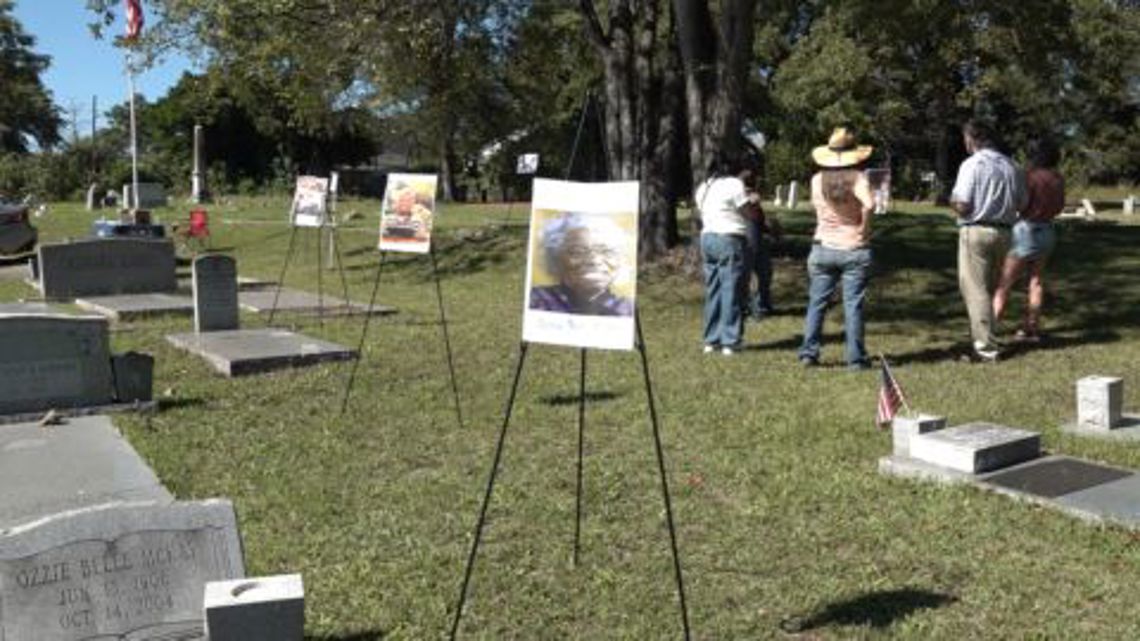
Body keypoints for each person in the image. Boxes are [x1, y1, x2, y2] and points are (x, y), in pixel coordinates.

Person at [797, 127, 875, 370]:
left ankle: (809, 353)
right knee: (853, 305)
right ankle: (855, 359)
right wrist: (865, 229)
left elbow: (816, 208)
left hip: (822, 247)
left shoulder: (816, 180)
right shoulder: (858, 178)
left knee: (816, 303)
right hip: (853, 247)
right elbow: (870, 205)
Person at [950, 120, 1027, 361]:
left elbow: (962, 204)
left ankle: (985, 348)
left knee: (976, 289)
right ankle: (988, 337)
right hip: (1005, 232)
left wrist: (951, 201)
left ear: (972, 138)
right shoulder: (1011, 165)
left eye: (965, 138)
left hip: (976, 229)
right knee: (991, 288)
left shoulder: (971, 164)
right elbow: (1022, 203)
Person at [992, 138, 1064, 342]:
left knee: (1005, 282)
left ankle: (990, 327)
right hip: (1048, 230)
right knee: (1036, 281)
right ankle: (1031, 327)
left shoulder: (1029, 176)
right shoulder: (1058, 178)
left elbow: (1020, 204)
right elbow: (1059, 206)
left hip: (1025, 230)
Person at [697, 155, 761, 355]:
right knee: (732, 289)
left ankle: (711, 339)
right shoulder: (734, 184)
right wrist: (754, 203)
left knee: (713, 289)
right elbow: (747, 213)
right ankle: (730, 341)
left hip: (707, 238)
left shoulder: (704, 187)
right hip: (729, 238)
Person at [528, 213, 634, 316]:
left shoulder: (627, 309)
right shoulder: (537, 300)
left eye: (607, 252)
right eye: (577, 252)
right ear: (555, 258)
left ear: (620, 260)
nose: (594, 261)